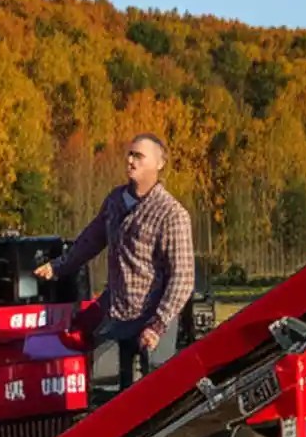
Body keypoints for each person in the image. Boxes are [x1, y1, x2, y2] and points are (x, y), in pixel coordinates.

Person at [34, 133, 195, 390]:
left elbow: (183, 278)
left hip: (153, 318)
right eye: (130, 155)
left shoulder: (172, 214)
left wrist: (157, 325)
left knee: (155, 394)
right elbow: (91, 239)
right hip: (117, 313)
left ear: (158, 164)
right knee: (105, 390)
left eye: (139, 156)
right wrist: (58, 266)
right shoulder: (115, 201)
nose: (131, 161)